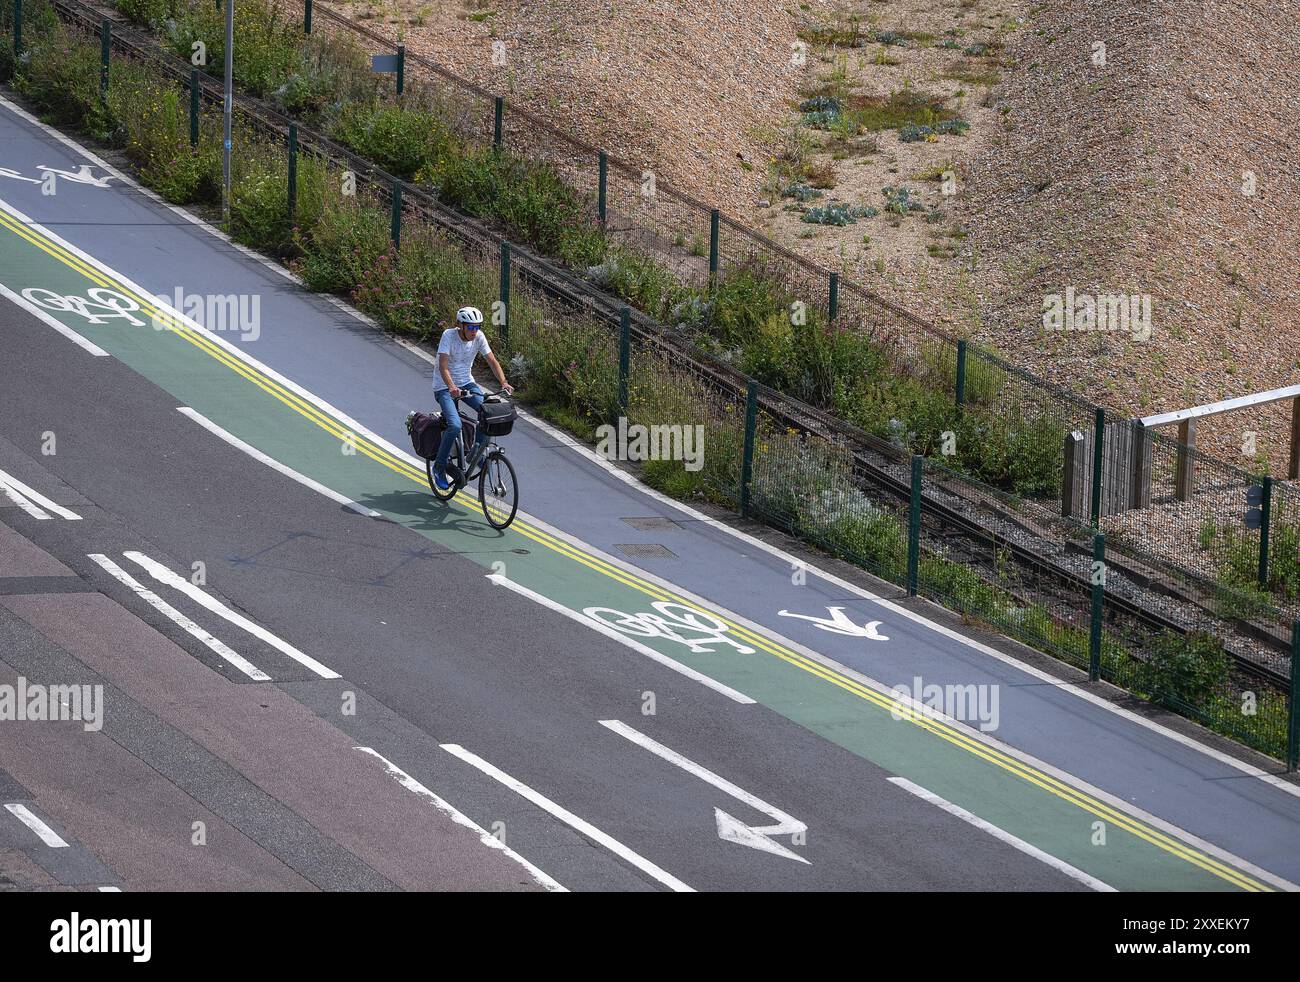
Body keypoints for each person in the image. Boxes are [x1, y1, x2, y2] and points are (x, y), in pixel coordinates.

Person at [431, 306, 514, 490]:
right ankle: (439, 466)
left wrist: (504, 382)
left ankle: (475, 451)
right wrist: (452, 387)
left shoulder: (479, 337)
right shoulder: (448, 336)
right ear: (460, 325)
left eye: (477, 327)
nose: (474, 331)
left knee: (487, 412)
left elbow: (492, 361)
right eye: (470, 327)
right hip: (445, 387)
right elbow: (443, 366)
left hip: (467, 383)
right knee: (454, 425)